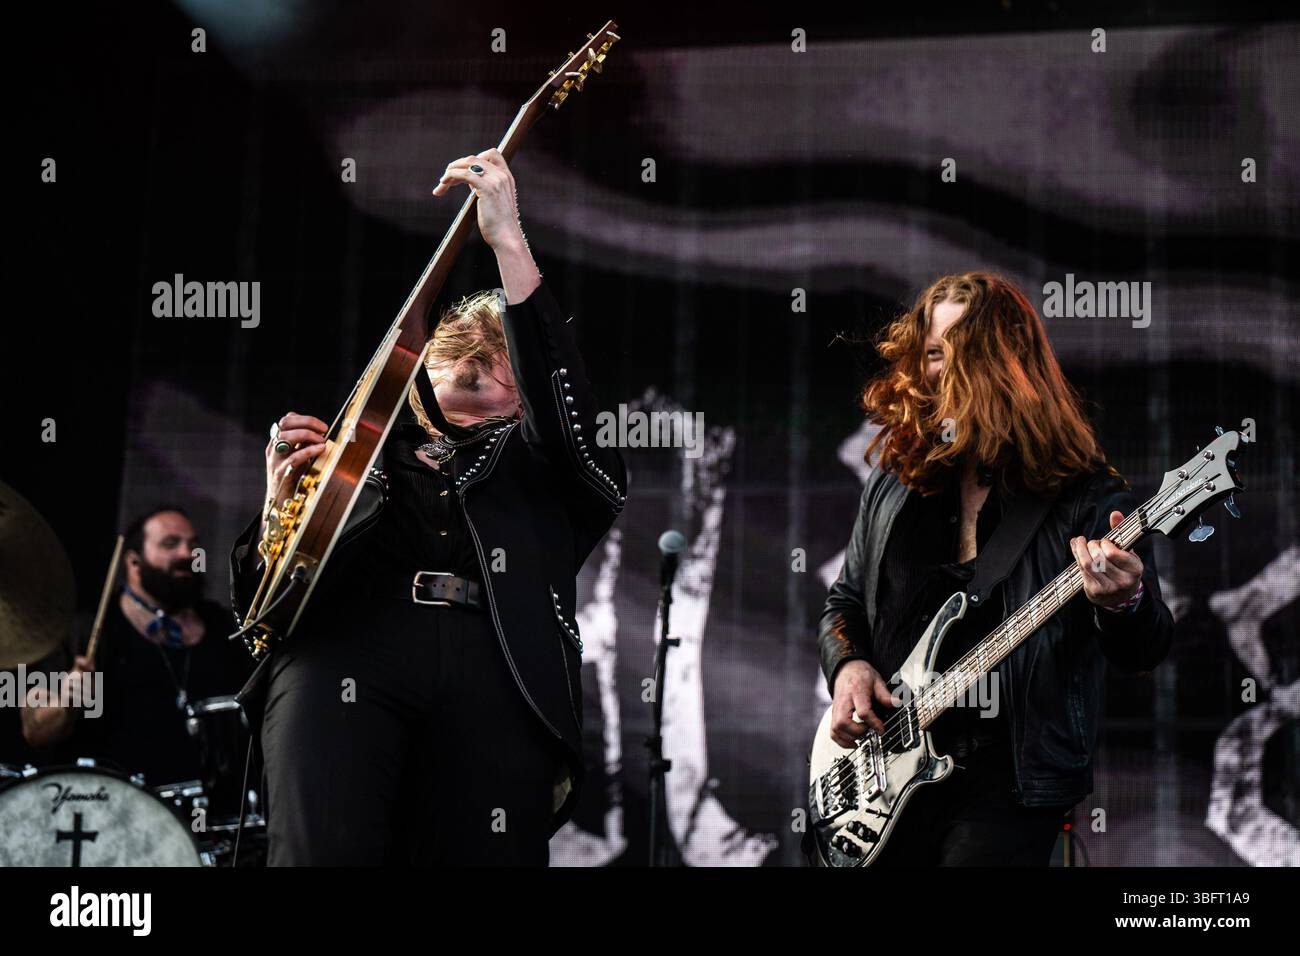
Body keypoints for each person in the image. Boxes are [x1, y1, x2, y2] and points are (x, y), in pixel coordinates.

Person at [230, 147, 627, 865]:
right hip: (345, 649)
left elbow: (572, 432)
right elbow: (257, 605)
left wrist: (507, 236)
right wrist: (277, 508)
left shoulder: (547, 460)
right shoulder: (358, 452)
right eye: (459, 366)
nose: (481, 372)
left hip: (494, 663)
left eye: (504, 366)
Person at [817, 272, 1174, 866]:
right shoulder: (893, 485)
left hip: (1010, 781)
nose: (943, 371)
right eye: (933, 353)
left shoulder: (1085, 496)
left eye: (963, 352)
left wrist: (1123, 603)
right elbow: (845, 603)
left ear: (1011, 365)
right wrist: (848, 666)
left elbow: (1147, 647)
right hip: (886, 770)